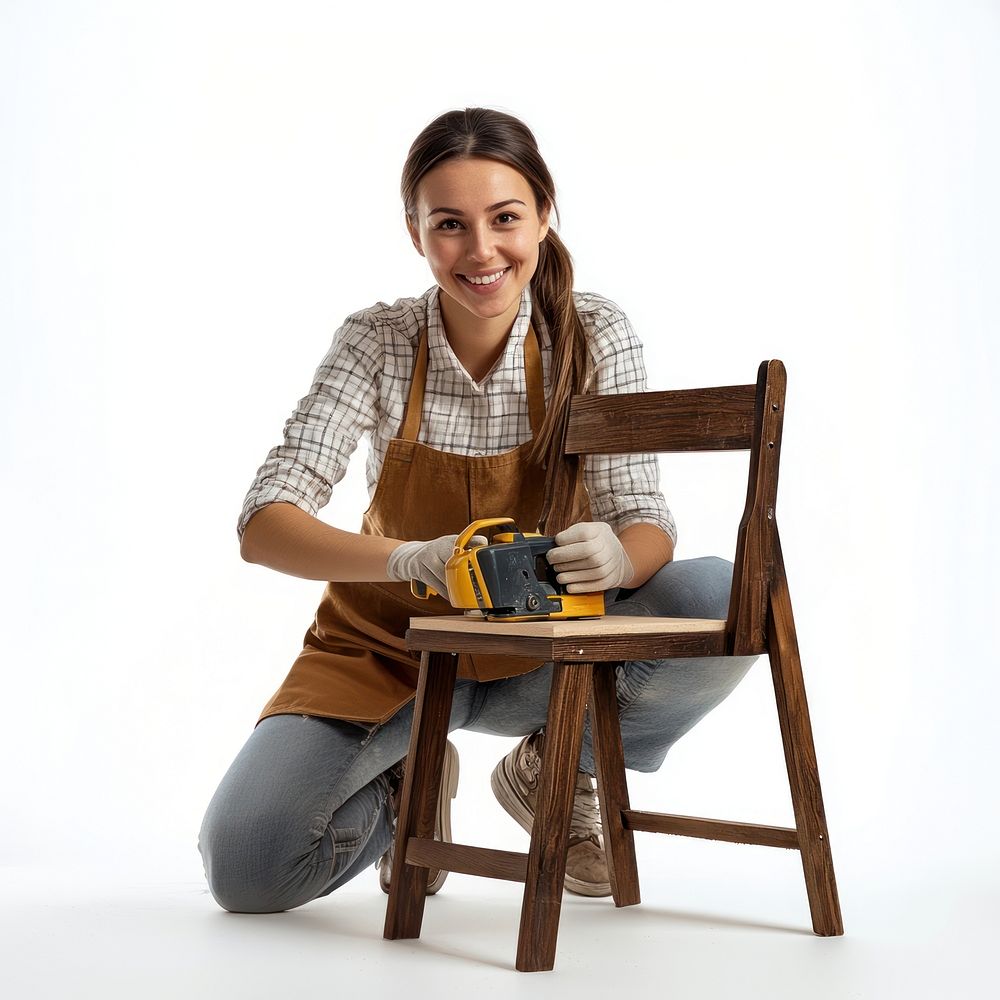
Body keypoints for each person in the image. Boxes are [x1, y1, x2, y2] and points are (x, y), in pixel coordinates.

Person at [198, 106, 759, 913]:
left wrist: (621, 557)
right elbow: (264, 521)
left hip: (548, 652)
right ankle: (410, 792)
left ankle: (556, 772)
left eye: (505, 218)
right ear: (415, 233)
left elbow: (645, 515)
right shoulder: (379, 340)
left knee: (721, 595)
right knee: (250, 867)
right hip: (393, 648)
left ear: (543, 212)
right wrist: (405, 559)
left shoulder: (592, 332)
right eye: (450, 225)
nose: (482, 250)